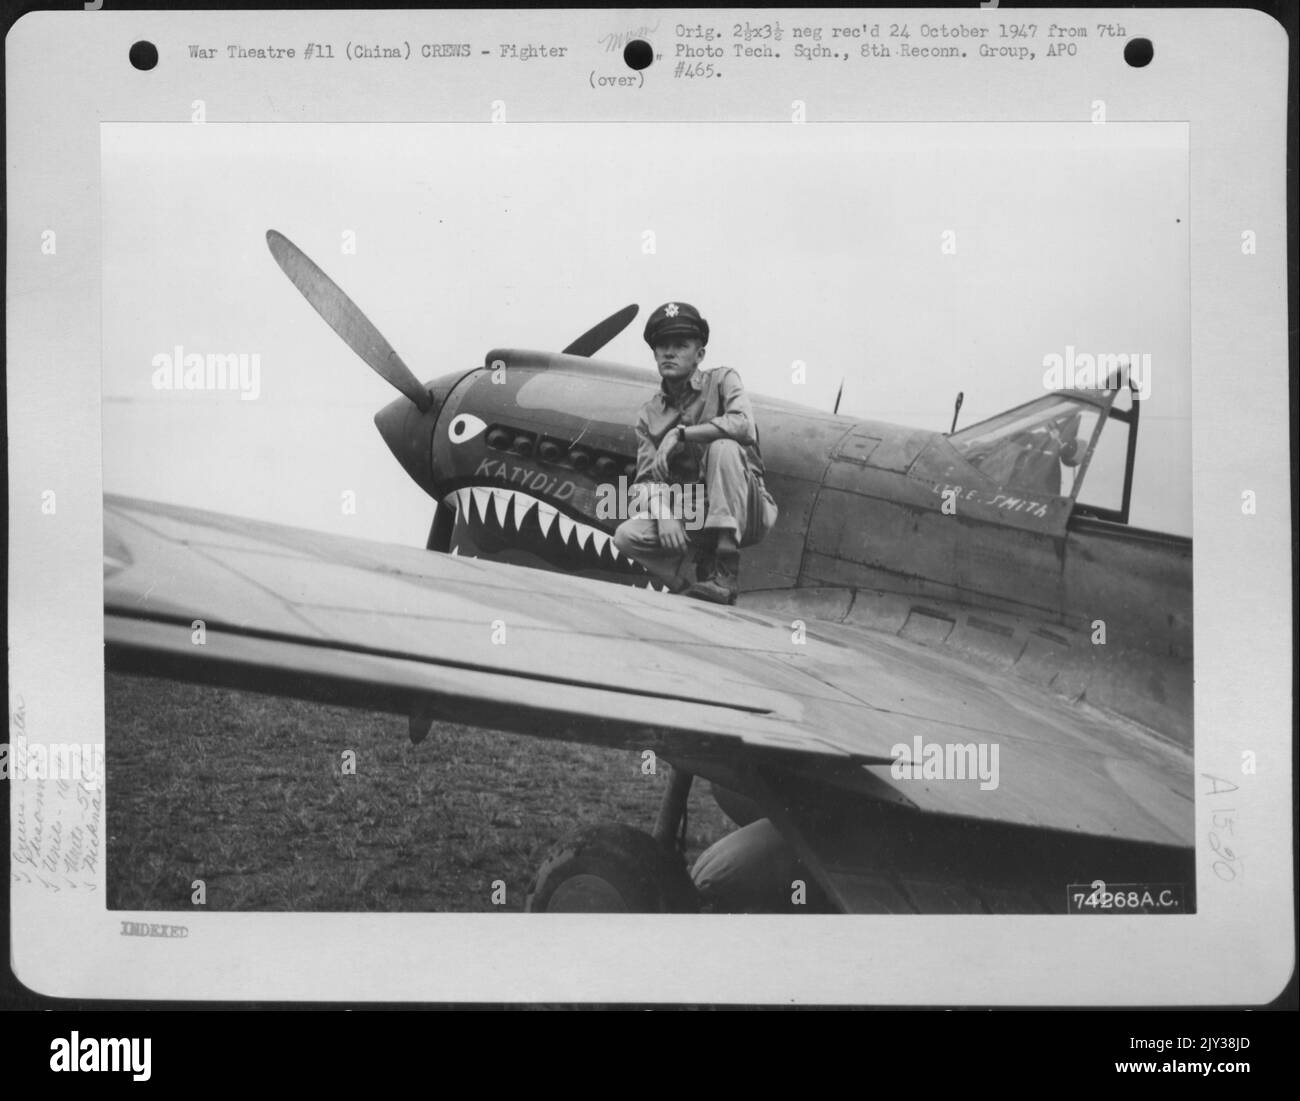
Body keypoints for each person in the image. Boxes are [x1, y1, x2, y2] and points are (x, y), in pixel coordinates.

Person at [612, 302, 778, 604]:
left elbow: (744, 426)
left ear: (699, 355)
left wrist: (681, 433)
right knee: (626, 536)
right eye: (662, 346)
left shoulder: (724, 379)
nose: (669, 353)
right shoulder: (649, 414)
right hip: (696, 509)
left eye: (680, 345)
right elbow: (645, 481)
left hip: (747, 508)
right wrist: (664, 516)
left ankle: (725, 567)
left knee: (723, 447)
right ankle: (686, 587)